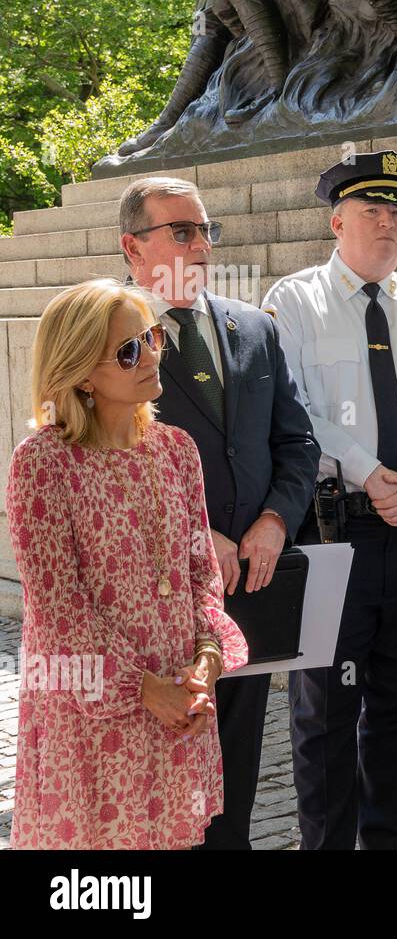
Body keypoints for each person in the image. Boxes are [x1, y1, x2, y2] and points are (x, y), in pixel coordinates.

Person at [262, 150, 397, 849]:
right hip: (334, 532)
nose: (387, 225)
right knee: (324, 717)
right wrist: (366, 471)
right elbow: (289, 407)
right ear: (337, 221)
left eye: (396, 212)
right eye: (371, 212)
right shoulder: (293, 302)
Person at [6, 279, 249, 849]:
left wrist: (207, 660)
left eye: (152, 337)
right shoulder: (42, 463)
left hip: (178, 708)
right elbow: (58, 612)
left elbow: (200, 579)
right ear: (82, 374)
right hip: (91, 721)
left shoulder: (176, 449)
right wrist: (145, 690)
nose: (151, 355)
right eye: (128, 350)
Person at [117, 176, 320, 850]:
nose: (201, 245)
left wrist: (275, 521)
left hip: (248, 590)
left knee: (232, 775)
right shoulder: (108, 335)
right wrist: (197, 536)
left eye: (206, 231)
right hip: (154, 602)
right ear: (132, 247)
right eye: (182, 231)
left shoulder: (256, 328)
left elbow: (296, 443)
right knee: (161, 783)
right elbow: (104, 466)